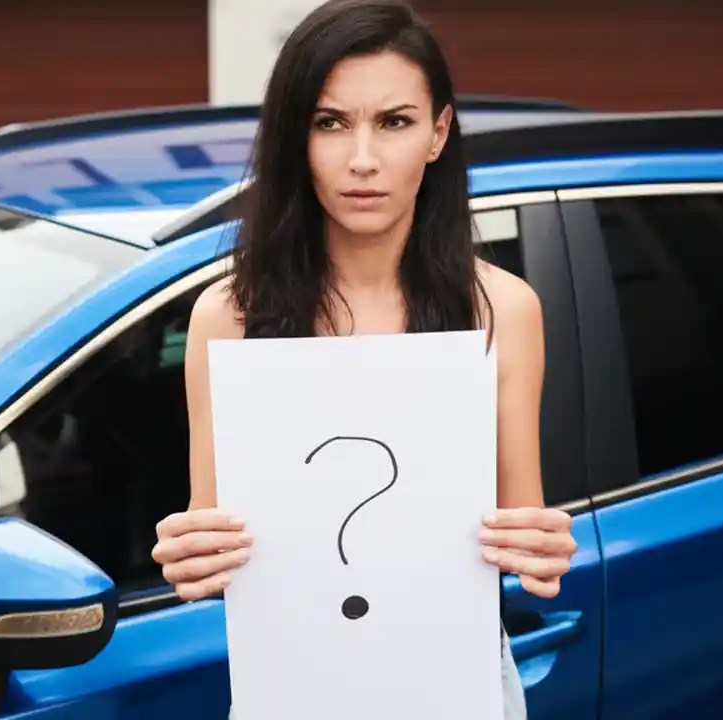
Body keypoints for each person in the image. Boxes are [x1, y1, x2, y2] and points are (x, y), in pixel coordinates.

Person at [151, 0, 578, 715]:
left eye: (395, 121)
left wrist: (540, 548)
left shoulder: (503, 310)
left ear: (439, 132)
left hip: (453, 684)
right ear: (297, 138)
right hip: (293, 682)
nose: (362, 159)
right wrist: (189, 555)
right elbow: (214, 554)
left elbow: (521, 537)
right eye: (330, 123)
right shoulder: (228, 317)